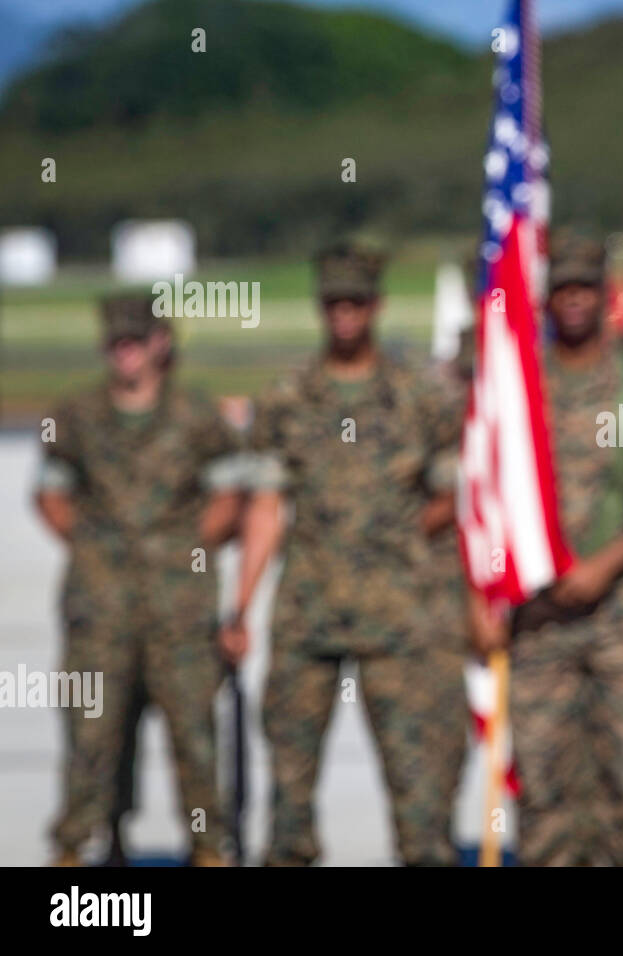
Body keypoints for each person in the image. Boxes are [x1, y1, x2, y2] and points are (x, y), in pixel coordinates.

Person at [222, 239, 467, 866]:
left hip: (403, 622)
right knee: (288, 807)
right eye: (334, 303)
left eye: (356, 302)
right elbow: (268, 507)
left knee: (422, 808)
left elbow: (455, 497)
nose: (345, 314)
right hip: (309, 616)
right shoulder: (288, 398)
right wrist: (240, 606)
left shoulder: (419, 396)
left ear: (376, 306)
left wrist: (401, 540)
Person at [469, 234, 623, 865]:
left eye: (584, 288)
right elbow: (480, 501)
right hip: (539, 620)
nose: (572, 301)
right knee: (544, 784)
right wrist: (478, 599)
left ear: (605, 295)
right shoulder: (516, 392)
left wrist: (603, 568)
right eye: (560, 289)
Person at [37, 293, 243, 866]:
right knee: (92, 740)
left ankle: (207, 849)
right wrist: (97, 549)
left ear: (161, 344)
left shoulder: (196, 417)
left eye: (135, 341)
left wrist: (185, 552)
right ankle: (75, 850)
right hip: (98, 614)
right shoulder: (76, 416)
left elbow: (230, 498)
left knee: (194, 739)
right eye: (115, 343)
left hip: (179, 613)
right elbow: (50, 492)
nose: (124, 353)